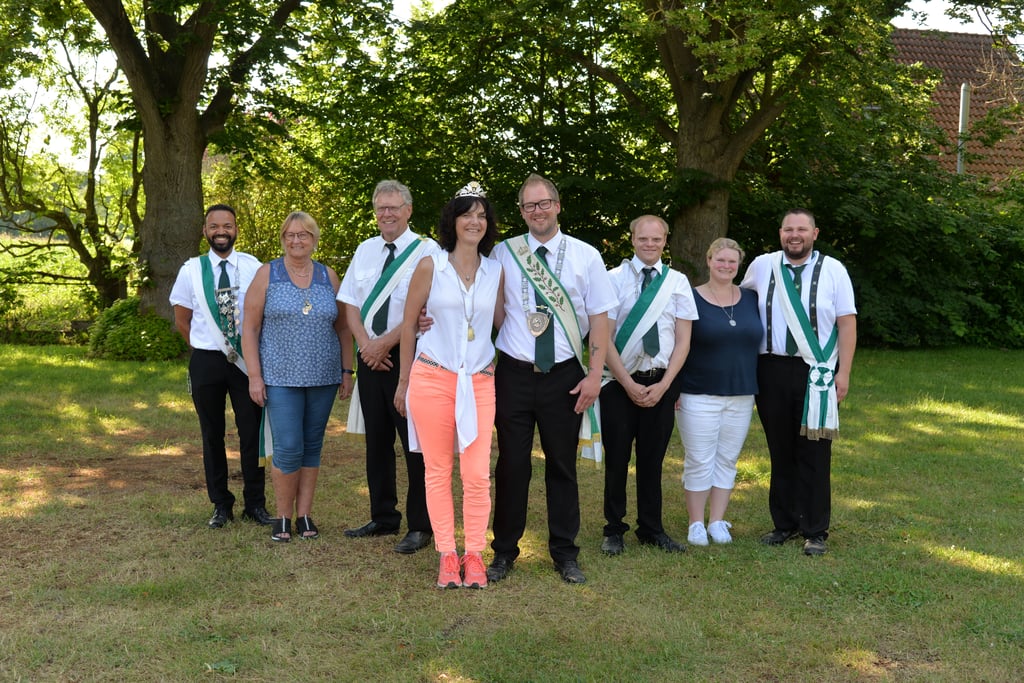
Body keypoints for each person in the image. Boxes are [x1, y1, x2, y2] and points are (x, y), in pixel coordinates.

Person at [487, 173, 617, 585]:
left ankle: (565, 552)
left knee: (562, 465)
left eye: (544, 204)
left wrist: (595, 374)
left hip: (564, 375)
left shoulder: (585, 255)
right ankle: (504, 552)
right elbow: (487, 306)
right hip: (514, 373)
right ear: (521, 212)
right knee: (511, 465)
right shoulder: (503, 253)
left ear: (558, 206)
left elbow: (600, 319)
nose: (537, 212)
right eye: (529, 206)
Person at [394, 181, 504, 589]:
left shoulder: (495, 270)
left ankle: (474, 553)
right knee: (437, 470)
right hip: (432, 376)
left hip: (478, 381)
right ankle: (446, 554)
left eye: (481, 215)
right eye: (466, 214)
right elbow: (408, 324)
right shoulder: (431, 265)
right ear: (452, 221)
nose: (474, 221)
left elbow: (503, 325)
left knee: (476, 474)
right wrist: (404, 382)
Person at [740, 209, 857, 556]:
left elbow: (847, 323)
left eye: (801, 229)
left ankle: (815, 529)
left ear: (815, 233)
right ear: (780, 233)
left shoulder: (834, 269)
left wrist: (844, 372)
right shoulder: (762, 266)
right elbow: (738, 302)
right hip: (770, 369)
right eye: (789, 229)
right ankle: (785, 523)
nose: (795, 235)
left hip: (817, 372)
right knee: (780, 450)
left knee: (815, 451)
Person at [338, 180, 440, 554]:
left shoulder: (428, 252)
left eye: (394, 207)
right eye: (381, 208)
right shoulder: (365, 251)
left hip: (409, 357)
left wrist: (385, 343)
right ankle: (383, 516)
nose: (387, 214)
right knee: (377, 442)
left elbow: (425, 310)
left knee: (415, 444)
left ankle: (420, 525)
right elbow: (349, 304)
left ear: (409, 210)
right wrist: (367, 346)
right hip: (370, 358)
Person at [241, 212, 354, 542]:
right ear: (282, 239)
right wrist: (254, 376)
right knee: (288, 447)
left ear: (314, 239)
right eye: (289, 235)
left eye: (303, 234)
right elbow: (250, 328)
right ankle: (282, 517)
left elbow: (344, 327)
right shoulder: (267, 274)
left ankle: (305, 515)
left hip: (323, 377)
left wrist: (347, 371)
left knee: (312, 447)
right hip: (280, 377)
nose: (296, 240)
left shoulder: (328, 276)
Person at [169, 204, 273, 529]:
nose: (221, 231)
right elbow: (182, 320)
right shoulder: (190, 270)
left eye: (227, 225)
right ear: (205, 231)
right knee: (211, 434)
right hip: (207, 362)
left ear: (236, 229)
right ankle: (221, 505)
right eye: (214, 226)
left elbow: (264, 313)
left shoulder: (253, 266)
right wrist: (209, 346)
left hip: (246, 362)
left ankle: (255, 504)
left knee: (251, 434)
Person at [600, 215, 696, 556]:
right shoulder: (611, 280)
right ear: (632, 239)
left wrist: (666, 386)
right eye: (644, 239)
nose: (650, 245)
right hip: (618, 382)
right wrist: (627, 383)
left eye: (656, 239)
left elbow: (683, 341)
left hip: (661, 382)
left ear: (665, 241)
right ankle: (614, 529)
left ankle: (651, 528)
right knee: (617, 459)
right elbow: (603, 338)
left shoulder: (678, 282)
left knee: (652, 460)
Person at [676, 238, 761, 546]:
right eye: (720, 260)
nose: (726, 266)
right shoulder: (691, 297)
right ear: (709, 260)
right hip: (698, 393)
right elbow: (680, 346)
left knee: (727, 459)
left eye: (732, 262)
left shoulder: (751, 298)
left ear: (739, 266)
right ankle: (696, 523)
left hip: (741, 394)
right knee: (699, 459)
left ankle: (717, 521)